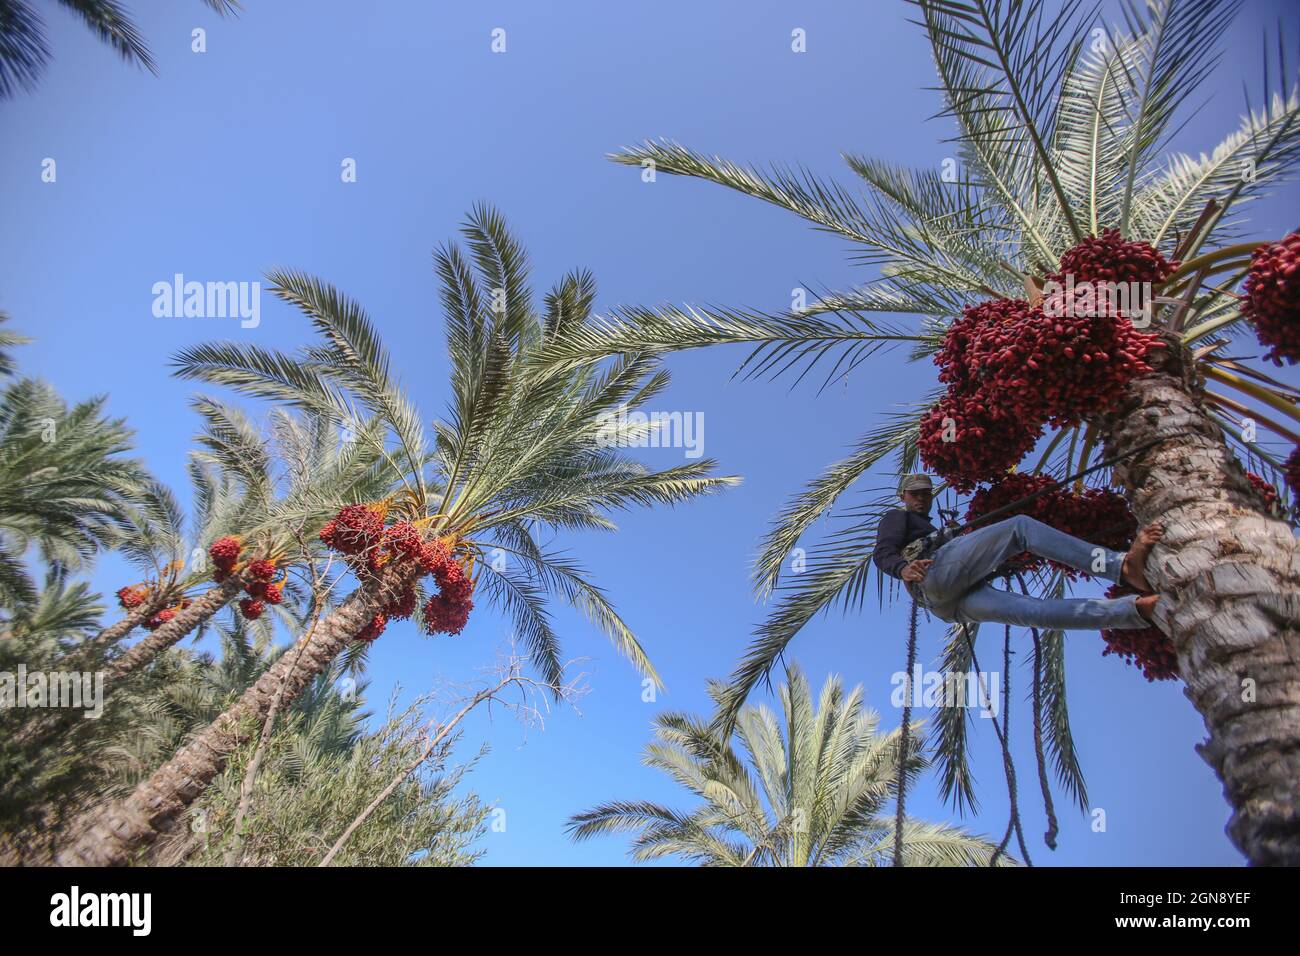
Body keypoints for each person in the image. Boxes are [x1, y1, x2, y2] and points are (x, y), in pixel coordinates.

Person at [873, 473, 1163, 630]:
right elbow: (882, 552)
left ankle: (1134, 611)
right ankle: (1121, 567)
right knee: (1020, 528)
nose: (922, 498)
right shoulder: (897, 517)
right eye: (915, 494)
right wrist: (902, 569)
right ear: (903, 497)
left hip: (944, 606)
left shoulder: (934, 529)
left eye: (926, 493)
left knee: (1033, 612)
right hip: (933, 577)